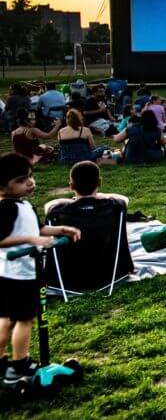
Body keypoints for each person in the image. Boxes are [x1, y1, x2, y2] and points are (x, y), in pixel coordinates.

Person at [0, 153, 80, 385]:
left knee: (6, 318)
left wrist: (62, 229)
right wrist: (31, 240)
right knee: (23, 320)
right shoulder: (6, 208)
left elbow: (39, 229)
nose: (30, 183)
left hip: (16, 271)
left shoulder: (22, 205)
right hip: (16, 273)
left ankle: (3, 362)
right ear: (3, 185)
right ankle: (20, 363)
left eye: (30, 177)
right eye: (22, 180)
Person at [43, 160, 130, 216]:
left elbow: (49, 205)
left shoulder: (60, 210)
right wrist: (100, 195)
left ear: (71, 186)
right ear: (99, 183)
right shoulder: (115, 205)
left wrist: (74, 200)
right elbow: (124, 199)